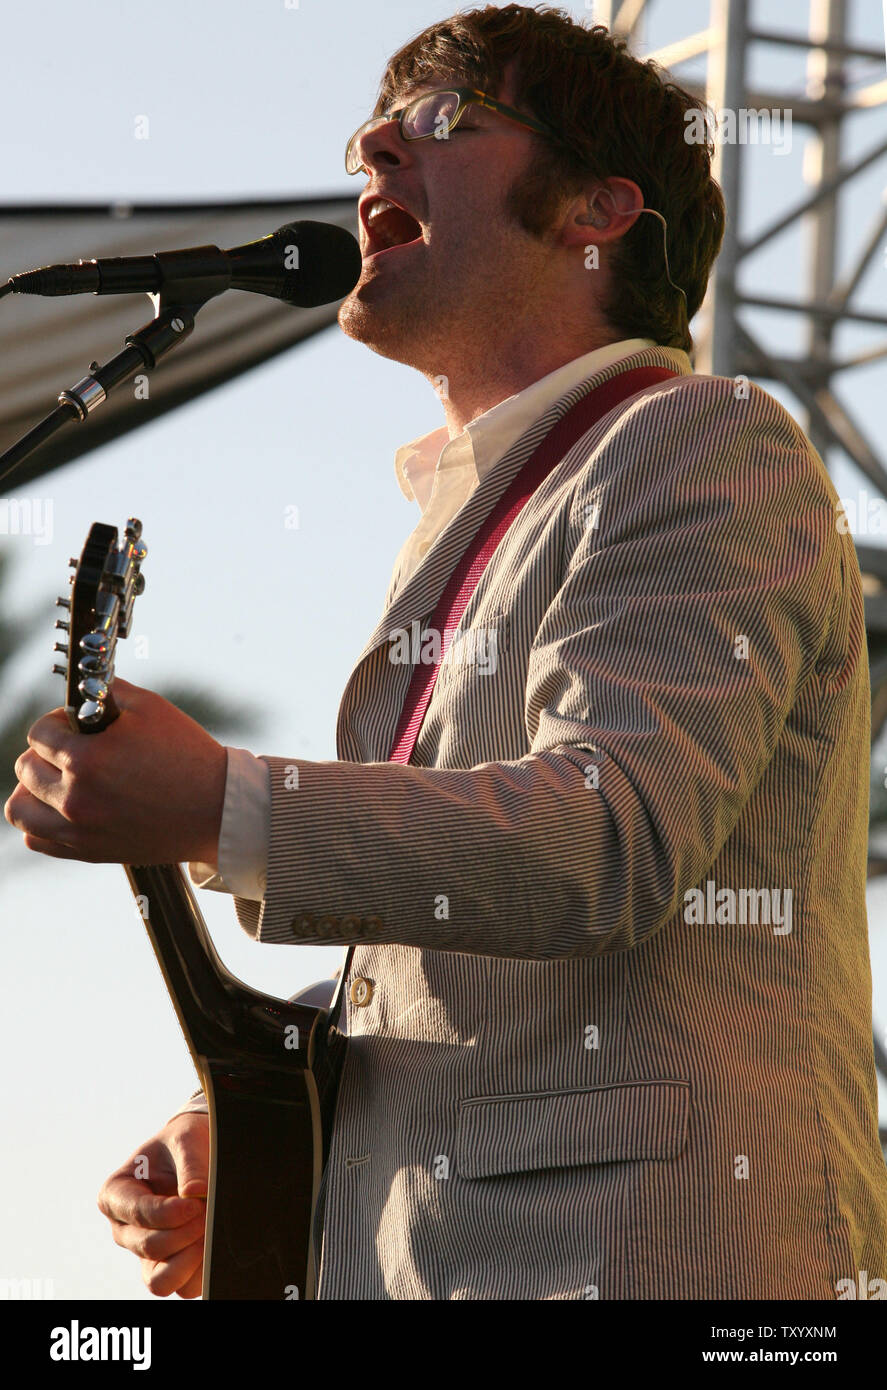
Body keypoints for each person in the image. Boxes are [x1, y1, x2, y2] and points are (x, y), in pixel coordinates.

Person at [8, 5, 887, 1300]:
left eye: (443, 120)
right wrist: (301, 1115)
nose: (369, 146)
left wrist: (220, 802)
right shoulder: (499, 505)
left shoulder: (701, 442)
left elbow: (610, 834)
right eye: (371, 130)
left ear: (596, 211)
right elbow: (492, 951)